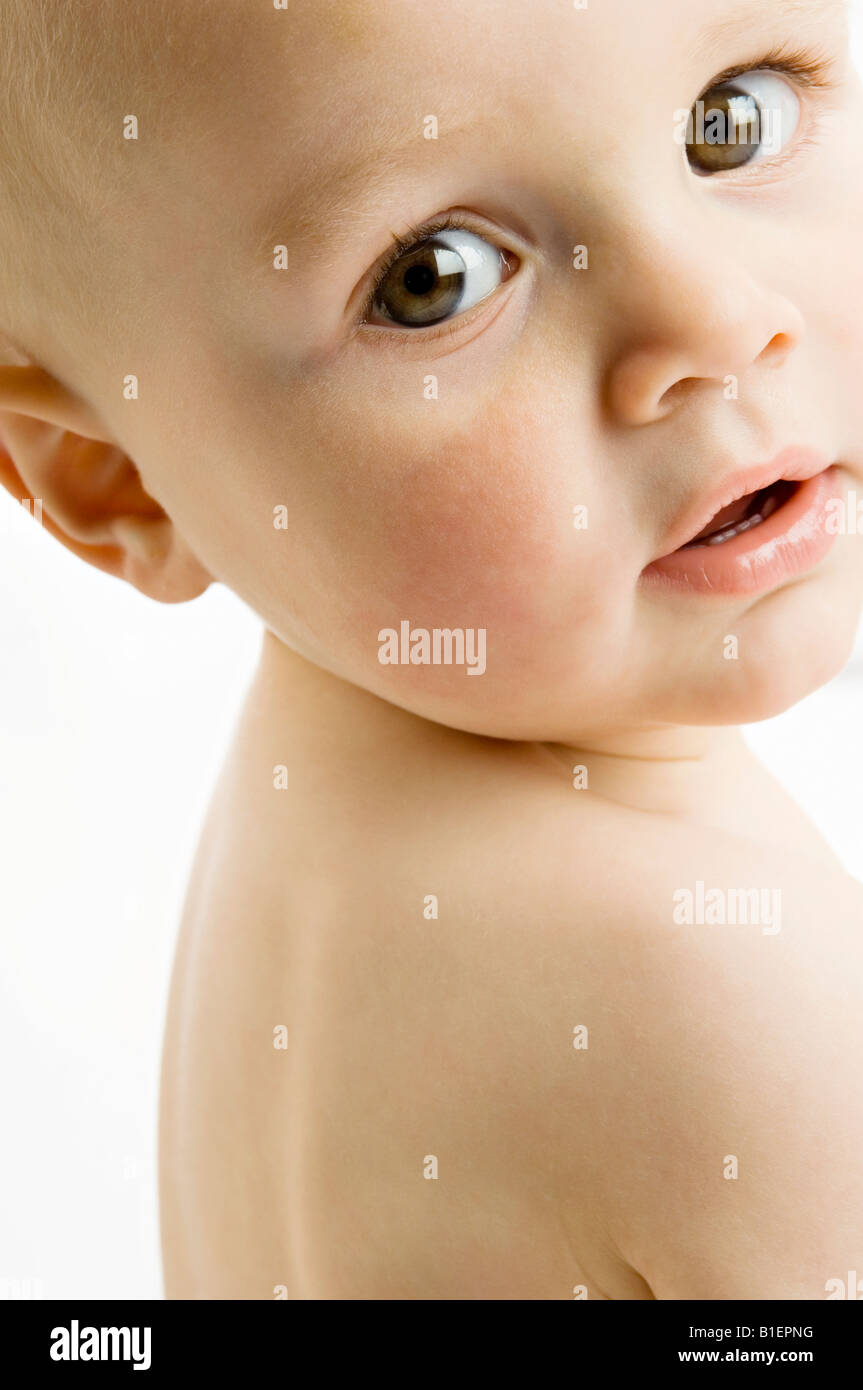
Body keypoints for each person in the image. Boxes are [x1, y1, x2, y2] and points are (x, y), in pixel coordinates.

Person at [0, 0, 861, 1299]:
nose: (720, 321)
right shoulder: (714, 991)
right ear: (118, 474)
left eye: (730, 119)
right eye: (435, 276)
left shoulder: (311, 819)